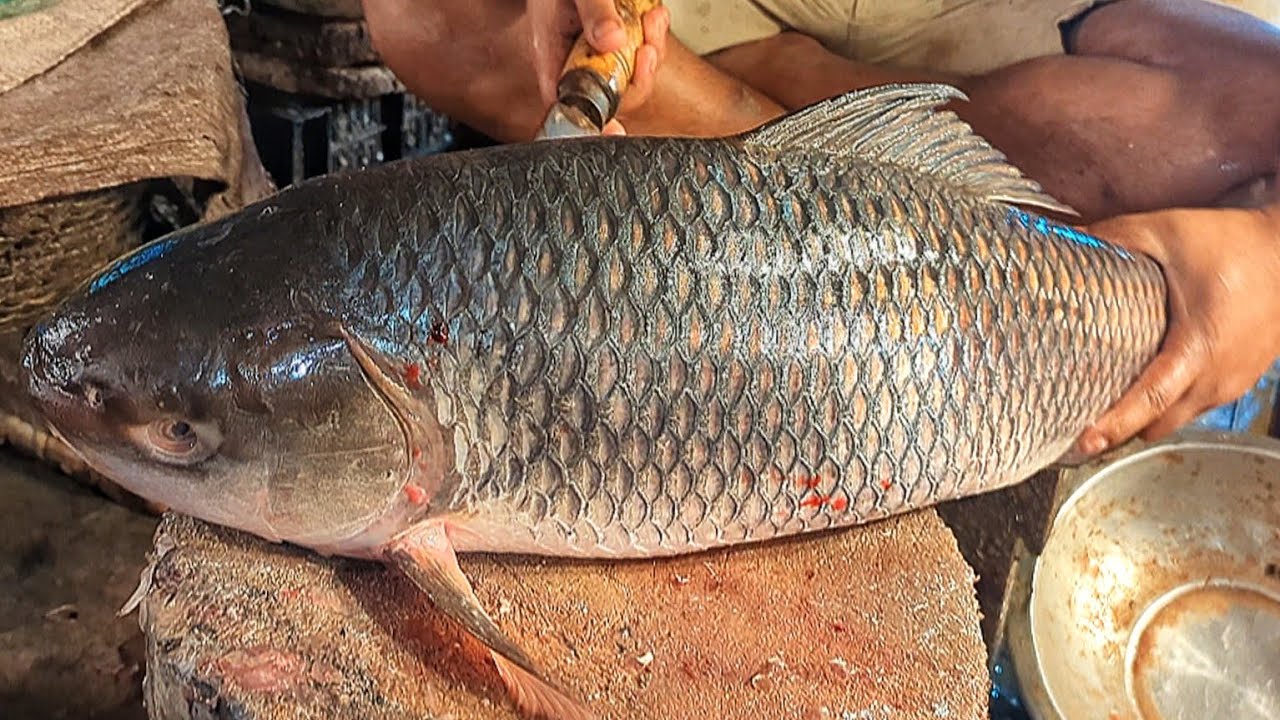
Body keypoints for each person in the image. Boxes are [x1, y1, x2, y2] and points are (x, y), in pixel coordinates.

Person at [361, 0, 1280, 456]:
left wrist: (1272, 251)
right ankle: (794, 112)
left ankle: (773, 102)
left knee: (1252, 113)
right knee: (435, 12)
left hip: (1010, 24)